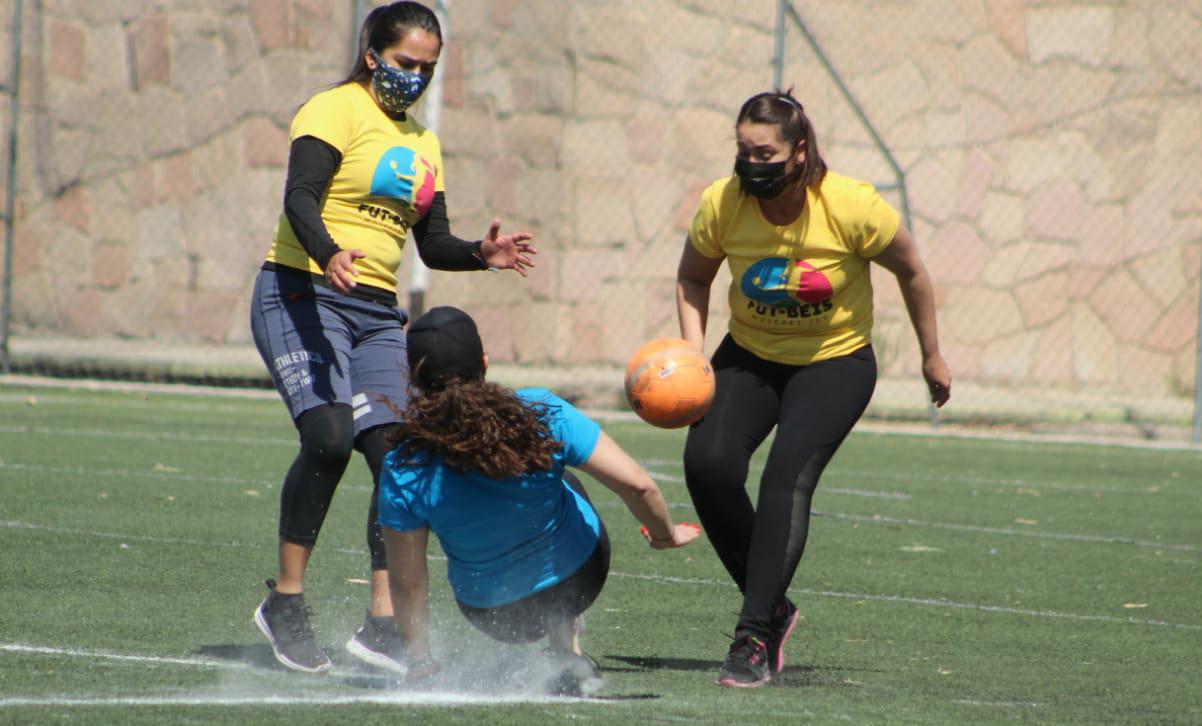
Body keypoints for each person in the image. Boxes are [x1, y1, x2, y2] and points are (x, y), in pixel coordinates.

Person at [249, 2, 537, 674]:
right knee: (327, 438)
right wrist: (328, 252)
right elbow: (300, 196)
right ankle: (285, 605)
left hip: (378, 314)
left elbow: (431, 245)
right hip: (300, 289)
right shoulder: (334, 109)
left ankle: (381, 624)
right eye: (407, 63)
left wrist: (480, 253)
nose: (416, 77)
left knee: (399, 454)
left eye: (428, 68)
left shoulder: (423, 143)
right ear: (372, 53)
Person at [675, 91, 952, 688]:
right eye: (744, 151)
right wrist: (692, 357)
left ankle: (753, 636)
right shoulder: (721, 204)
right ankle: (774, 604)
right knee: (707, 464)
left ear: (800, 152)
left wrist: (932, 354)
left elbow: (912, 270)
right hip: (748, 355)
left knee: (784, 480)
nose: (753, 163)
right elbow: (693, 275)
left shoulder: (852, 205)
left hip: (835, 363)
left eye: (766, 152)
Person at [376, 306, 701, 693]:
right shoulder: (540, 411)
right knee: (565, 480)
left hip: (490, 614)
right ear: (484, 363)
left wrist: (420, 661)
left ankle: (561, 652)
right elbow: (639, 486)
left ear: (413, 377)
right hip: (580, 580)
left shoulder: (403, 461)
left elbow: (409, 581)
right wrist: (665, 534)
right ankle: (566, 649)